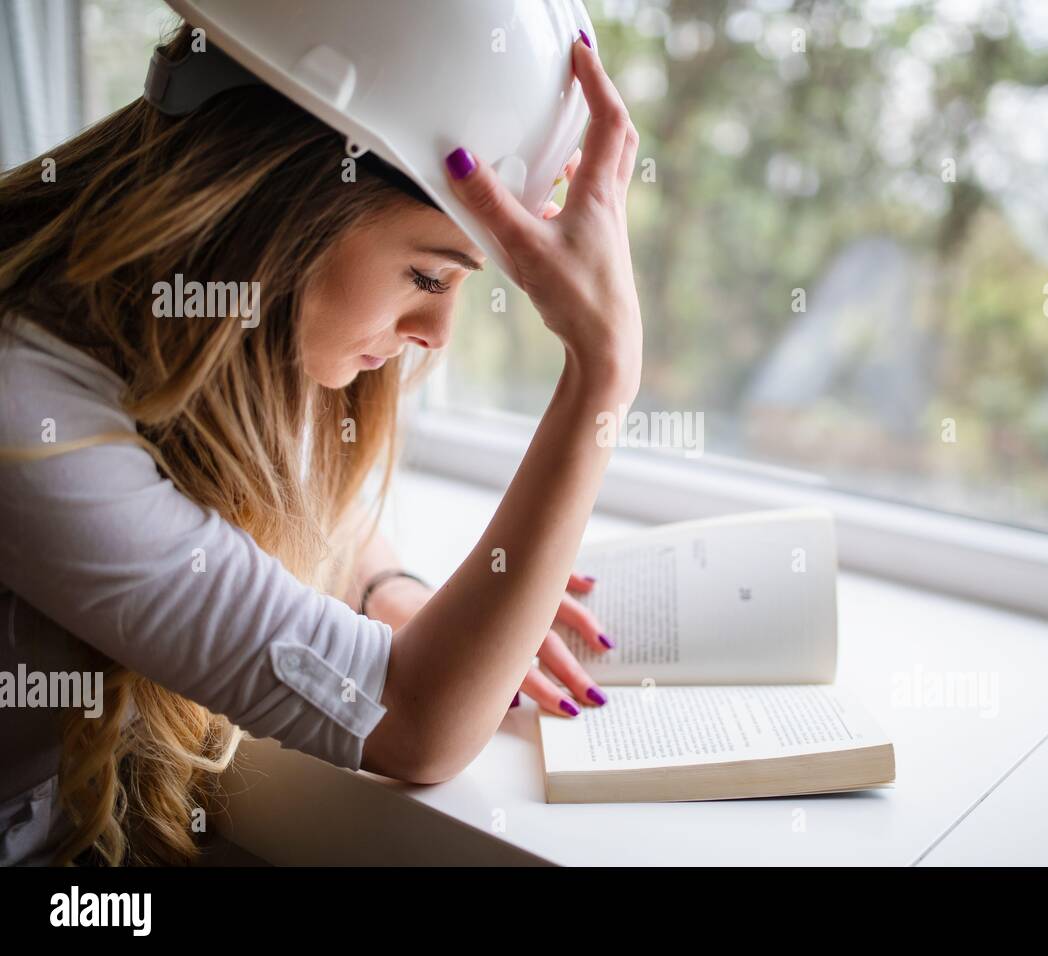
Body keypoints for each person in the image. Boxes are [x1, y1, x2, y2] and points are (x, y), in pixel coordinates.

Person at [0, 22, 641, 865]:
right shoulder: (24, 411)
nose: (439, 333)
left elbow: (294, 499)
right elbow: (415, 725)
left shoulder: (197, 339)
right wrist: (602, 376)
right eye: (427, 276)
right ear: (285, 194)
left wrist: (389, 588)